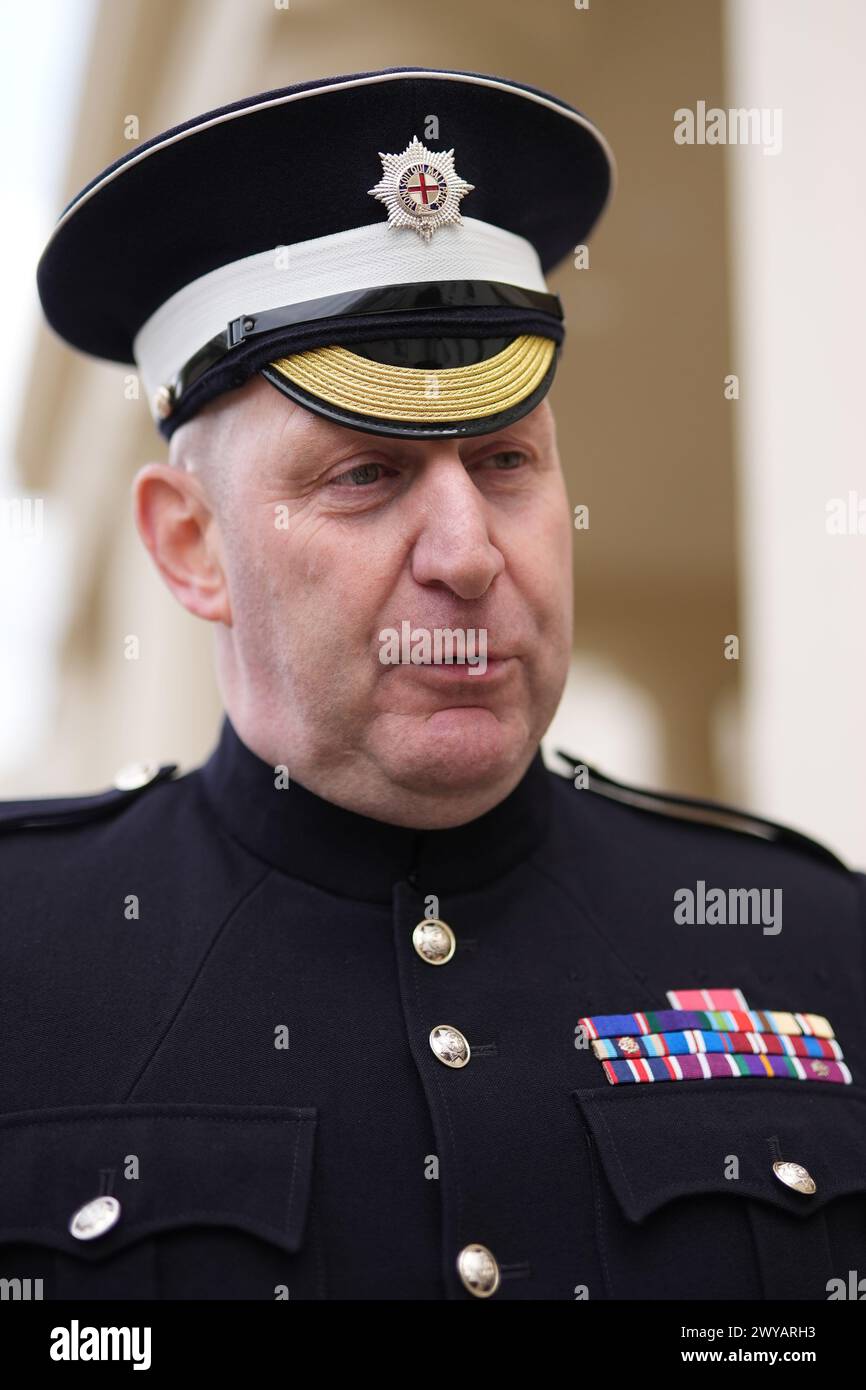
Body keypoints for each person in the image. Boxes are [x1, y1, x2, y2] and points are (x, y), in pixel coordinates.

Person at [1, 67, 864, 1302]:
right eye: (364, 474)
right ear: (191, 546)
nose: (467, 554)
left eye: (505, 460)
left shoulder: (810, 943)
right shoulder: (26, 961)